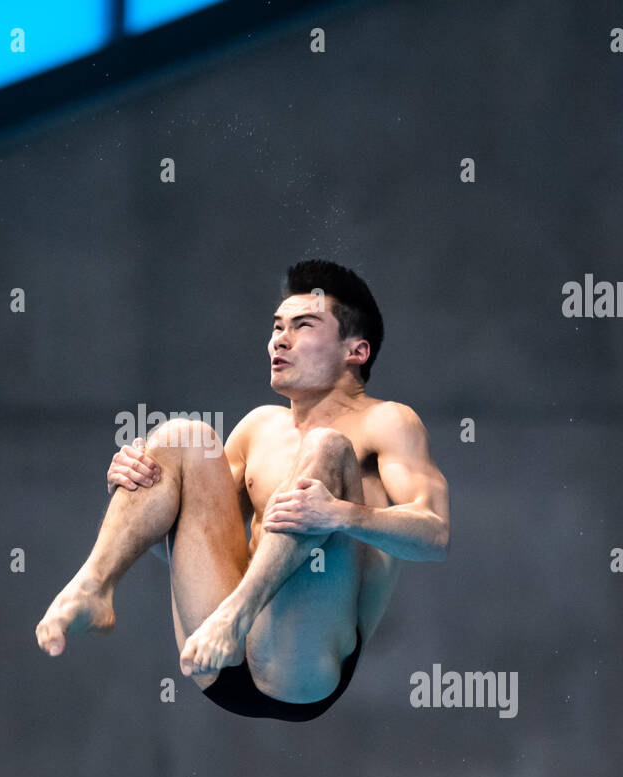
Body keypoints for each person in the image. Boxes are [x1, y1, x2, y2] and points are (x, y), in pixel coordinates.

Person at [35, 260, 450, 720]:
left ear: (356, 351)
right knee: (179, 438)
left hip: (303, 665)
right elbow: (180, 549)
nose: (279, 339)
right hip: (217, 658)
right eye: (276, 327)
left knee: (327, 447)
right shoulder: (258, 426)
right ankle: (93, 586)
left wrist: (341, 515)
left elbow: (434, 537)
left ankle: (237, 613)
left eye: (303, 326)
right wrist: (138, 487)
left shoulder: (388, 421)